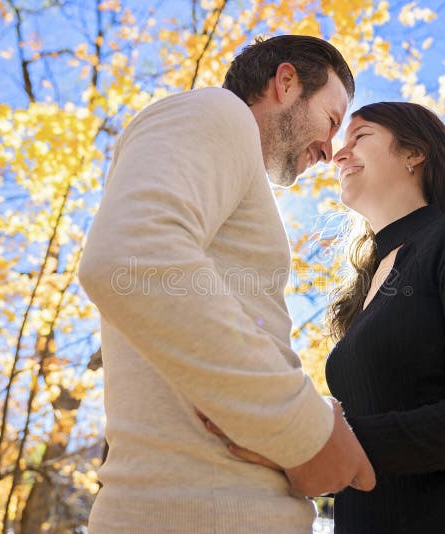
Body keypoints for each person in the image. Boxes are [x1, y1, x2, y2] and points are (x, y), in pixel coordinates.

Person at [77, 35, 375, 534]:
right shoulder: (218, 111)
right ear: (285, 82)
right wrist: (304, 430)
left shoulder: (228, 158)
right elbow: (132, 256)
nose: (330, 149)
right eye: (330, 119)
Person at [212, 102, 445, 532]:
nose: (338, 154)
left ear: (413, 153)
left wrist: (322, 441)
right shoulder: (361, 292)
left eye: (359, 137)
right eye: (340, 143)